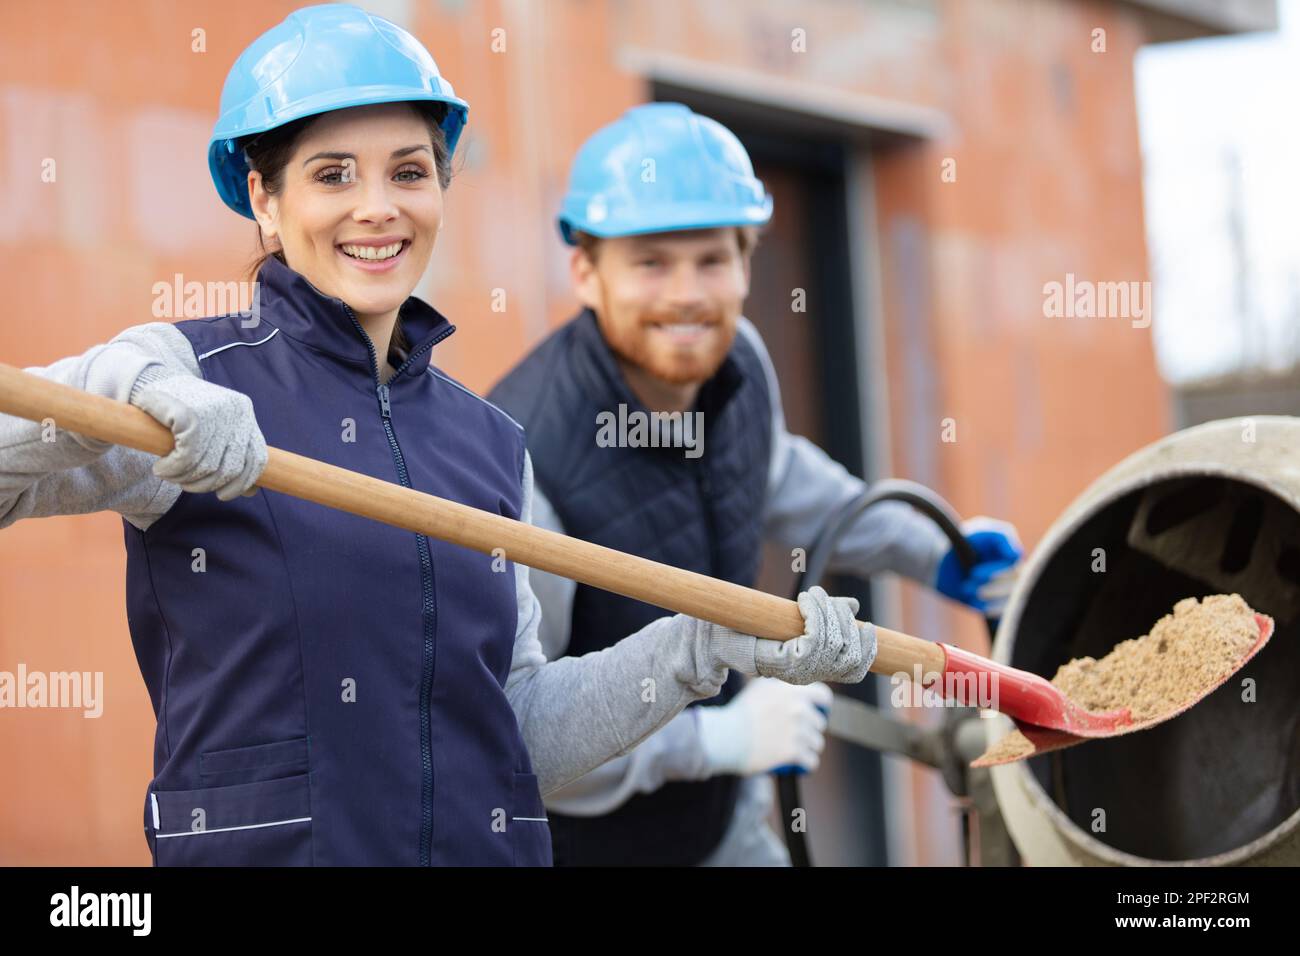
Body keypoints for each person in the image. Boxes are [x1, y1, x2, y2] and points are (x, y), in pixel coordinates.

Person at [0, 5, 873, 866]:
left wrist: (701, 644)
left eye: (409, 172)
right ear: (264, 198)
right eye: (333, 174)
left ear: (442, 187)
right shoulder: (190, 384)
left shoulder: (487, 444)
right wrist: (127, 382)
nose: (377, 208)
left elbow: (518, 731)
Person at [489, 103, 1023, 866]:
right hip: (593, 848)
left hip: (724, 826)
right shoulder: (522, 462)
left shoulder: (739, 363)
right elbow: (524, 737)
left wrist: (936, 553)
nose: (686, 295)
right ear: (585, 271)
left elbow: (778, 474)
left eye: (712, 260)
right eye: (650, 263)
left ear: (747, 263)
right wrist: (715, 740)